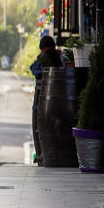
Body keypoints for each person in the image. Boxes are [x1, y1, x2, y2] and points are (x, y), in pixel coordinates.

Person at [29, 35, 64, 164]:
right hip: (60, 92)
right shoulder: (59, 56)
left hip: (44, 94)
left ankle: (41, 154)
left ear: (41, 47)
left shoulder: (41, 58)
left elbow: (37, 73)